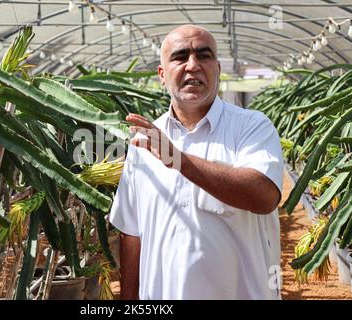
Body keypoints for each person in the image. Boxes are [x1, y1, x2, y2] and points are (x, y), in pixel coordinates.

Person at [109, 25, 283, 300]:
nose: (193, 66)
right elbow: (132, 235)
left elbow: (263, 196)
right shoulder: (144, 142)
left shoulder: (252, 127)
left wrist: (179, 160)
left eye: (204, 56)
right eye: (180, 57)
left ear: (218, 68)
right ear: (162, 75)